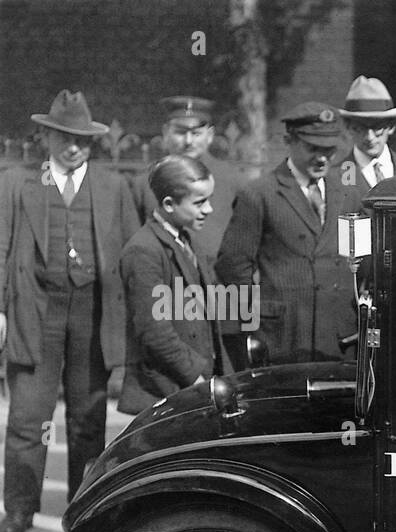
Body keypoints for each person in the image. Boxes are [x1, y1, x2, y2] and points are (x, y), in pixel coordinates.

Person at [0, 90, 138, 532]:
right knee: (28, 417)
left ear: (92, 143)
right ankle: (19, 508)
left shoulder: (113, 186)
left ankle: (84, 508)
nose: (73, 147)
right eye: (64, 137)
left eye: (82, 139)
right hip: (35, 310)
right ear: (46, 137)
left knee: (88, 417)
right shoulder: (17, 183)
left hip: (92, 312)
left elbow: (132, 253)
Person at [216, 102, 364, 366]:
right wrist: (257, 317)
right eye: (312, 148)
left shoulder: (348, 193)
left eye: (329, 150)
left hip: (339, 337)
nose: (322, 158)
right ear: (289, 141)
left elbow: (362, 259)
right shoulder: (260, 194)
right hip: (283, 337)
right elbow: (232, 264)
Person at [119, 156, 232, 415]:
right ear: (169, 204)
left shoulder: (188, 241)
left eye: (209, 200)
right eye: (199, 202)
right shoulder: (144, 251)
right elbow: (154, 332)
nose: (209, 209)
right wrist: (197, 380)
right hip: (167, 390)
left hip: (194, 385)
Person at [129, 96, 247, 263]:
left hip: (217, 275)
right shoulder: (144, 183)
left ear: (210, 135)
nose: (188, 141)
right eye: (180, 132)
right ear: (165, 133)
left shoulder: (232, 180)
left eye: (196, 133)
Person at [338, 76, 396, 187]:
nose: (369, 137)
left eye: (377, 128)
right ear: (348, 127)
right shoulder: (336, 175)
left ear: (391, 126)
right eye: (360, 129)